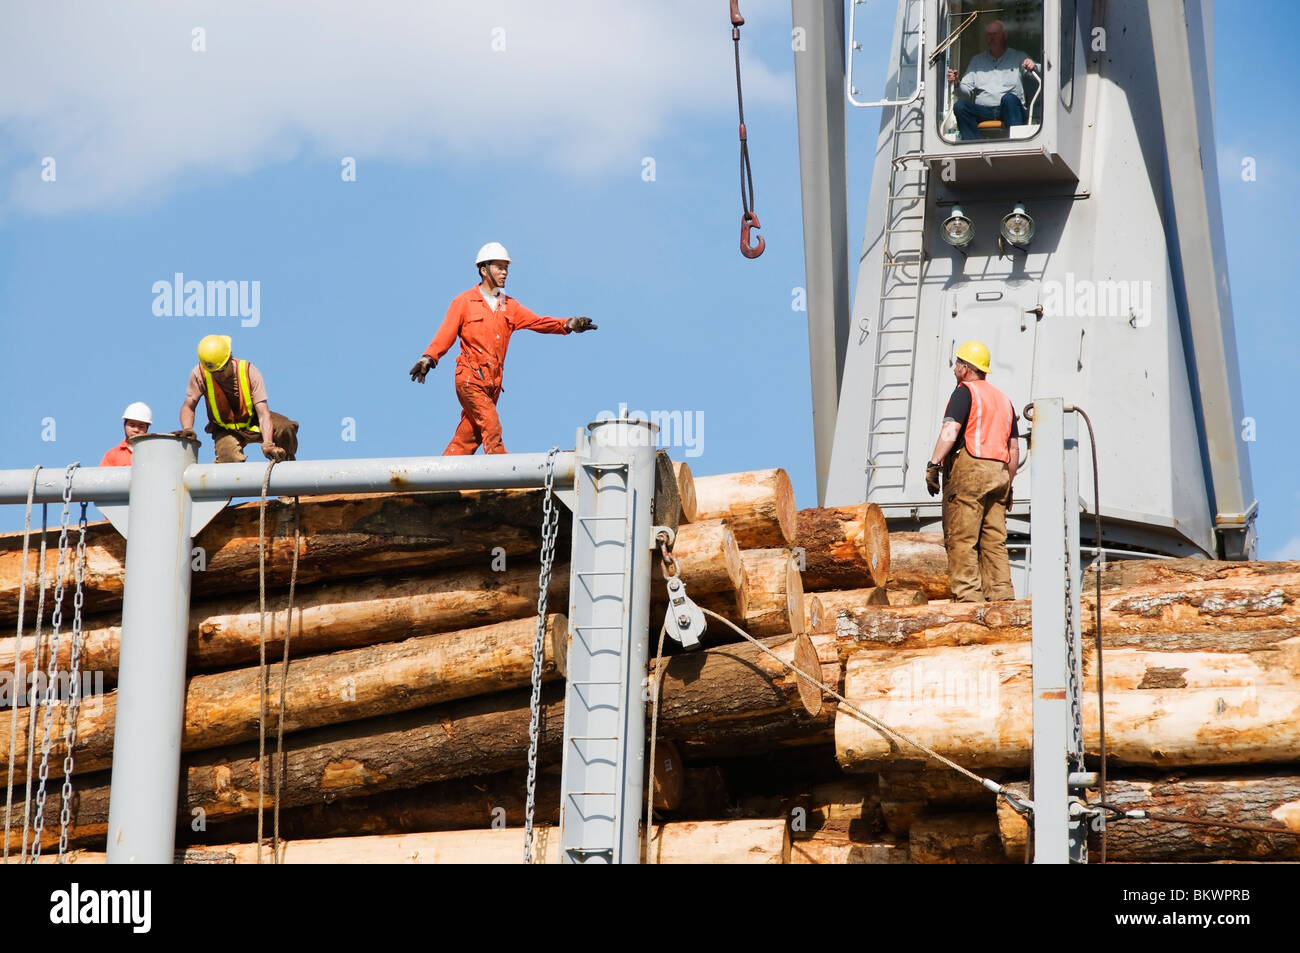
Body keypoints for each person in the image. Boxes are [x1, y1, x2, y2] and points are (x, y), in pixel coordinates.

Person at [409, 242, 597, 455]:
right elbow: (446, 333)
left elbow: (538, 322)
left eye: (506, 267)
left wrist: (568, 323)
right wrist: (429, 358)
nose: (504, 272)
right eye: (499, 267)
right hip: (470, 378)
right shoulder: (464, 302)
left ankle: (440, 481)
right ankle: (502, 475)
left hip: (493, 384)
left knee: (470, 436)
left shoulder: (510, 306)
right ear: (483, 269)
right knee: (491, 426)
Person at [924, 340, 1020, 602]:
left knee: (961, 538)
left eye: (958, 363)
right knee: (994, 541)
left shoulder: (964, 392)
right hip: (999, 474)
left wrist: (934, 463)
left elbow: (951, 430)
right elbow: (1014, 449)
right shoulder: (1004, 400)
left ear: (966, 368)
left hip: (971, 473)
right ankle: (1002, 597)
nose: (955, 367)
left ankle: (968, 601)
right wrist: (1009, 484)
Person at [179, 335, 299, 463]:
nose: (218, 375)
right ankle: (235, 481)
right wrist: (188, 428)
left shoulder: (249, 372)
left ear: (230, 357)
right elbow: (189, 406)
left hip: (253, 419)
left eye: (221, 369)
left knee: (284, 427)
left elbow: (264, 414)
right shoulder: (199, 374)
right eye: (213, 371)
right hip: (225, 428)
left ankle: (286, 464)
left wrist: (268, 444)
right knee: (228, 458)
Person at [946, 20, 1038, 140]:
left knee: (1008, 98)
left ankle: (1016, 143)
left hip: (1009, 109)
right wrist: (956, 82)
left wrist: (1033, 66)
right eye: (989, 35)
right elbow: (966, 92)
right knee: (960, 106)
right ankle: (973, 146)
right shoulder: (977, 61)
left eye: (995, 34)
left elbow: (1039, 74)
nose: (992, 38)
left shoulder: (1018, 56)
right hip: (984, 111)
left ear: (1004, 36)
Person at [99, 402, 153, 467]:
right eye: (132, 425)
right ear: (124, 425)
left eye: (141, 426)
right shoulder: (112, 455)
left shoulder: (154, 453)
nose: (136, 430)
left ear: (147, 428)